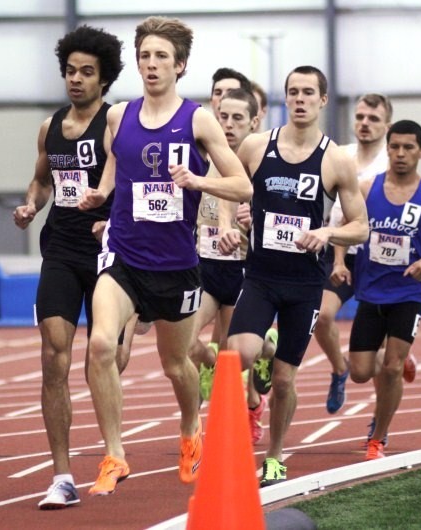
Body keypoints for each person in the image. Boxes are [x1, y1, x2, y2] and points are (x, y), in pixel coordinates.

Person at [77, 15, 252, 496]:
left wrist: (199, 181)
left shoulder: (196, 119)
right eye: (144, 56)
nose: (151, 65)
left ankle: (191, 430)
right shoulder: (119, 116)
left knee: (177, 366)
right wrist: (101, 195)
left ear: (180, 66)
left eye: (160, 57)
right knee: (99, 346)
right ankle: (115, 455)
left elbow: (242, 183)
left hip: (176, 265)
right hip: (124, 257)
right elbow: (116, 163)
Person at [224, 66, 368, 487]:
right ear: (284, 98)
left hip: (305, 286)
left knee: (286, 380)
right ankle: (265, 352)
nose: (300, 99)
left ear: (323, 100)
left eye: (308, 92)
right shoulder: (255, 146)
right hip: (261, 277)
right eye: (293, 92)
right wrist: (235, 224)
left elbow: (360, 226)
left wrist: (328, 231)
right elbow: (232, 187)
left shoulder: (336, 159)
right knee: (240, 356)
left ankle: (274, 455)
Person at [11, 26, 131, 510]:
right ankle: (62, 475)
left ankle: (113, 452)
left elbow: (136, 181)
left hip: (109, 252)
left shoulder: (118, 123)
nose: (76, 80)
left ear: (104, 78)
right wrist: (29, 206)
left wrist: (113, 220)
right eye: (70, 71)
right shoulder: (50, 127)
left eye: (87, 72)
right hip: (60, 249)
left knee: (103, 358)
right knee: (52, 356)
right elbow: (42, 182)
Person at [347, 119, 421, 460]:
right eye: (394, 147)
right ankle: (399, 352)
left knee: (392, 368)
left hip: (408, 294)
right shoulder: (367, 188)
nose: (399, 154)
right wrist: (338, 262)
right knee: (360, 372)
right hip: (370, 292)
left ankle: (377, 438)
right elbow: (345, 226)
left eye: (408, 148)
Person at [188, 87, 276, 446]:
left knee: (234, 359)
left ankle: (264, 364)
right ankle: (218, 370)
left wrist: (254, 220)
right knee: (184, 345)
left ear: (254, 121)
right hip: (205, 268)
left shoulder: (261, 166)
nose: (228, 124)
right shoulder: (201, 158)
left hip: (244, 273)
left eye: (238, 118)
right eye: (222, 116)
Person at [314, 93, 396, 415]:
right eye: (360, 117)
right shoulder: (340, 155)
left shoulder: (392, 163)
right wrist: (335, 258)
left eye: (373, 119)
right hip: (341, 251)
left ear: (387, 126)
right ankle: (338, 368)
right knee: (320, 317)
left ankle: (377, 424)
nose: (364, 123)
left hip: (379, 260)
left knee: (382, 356)